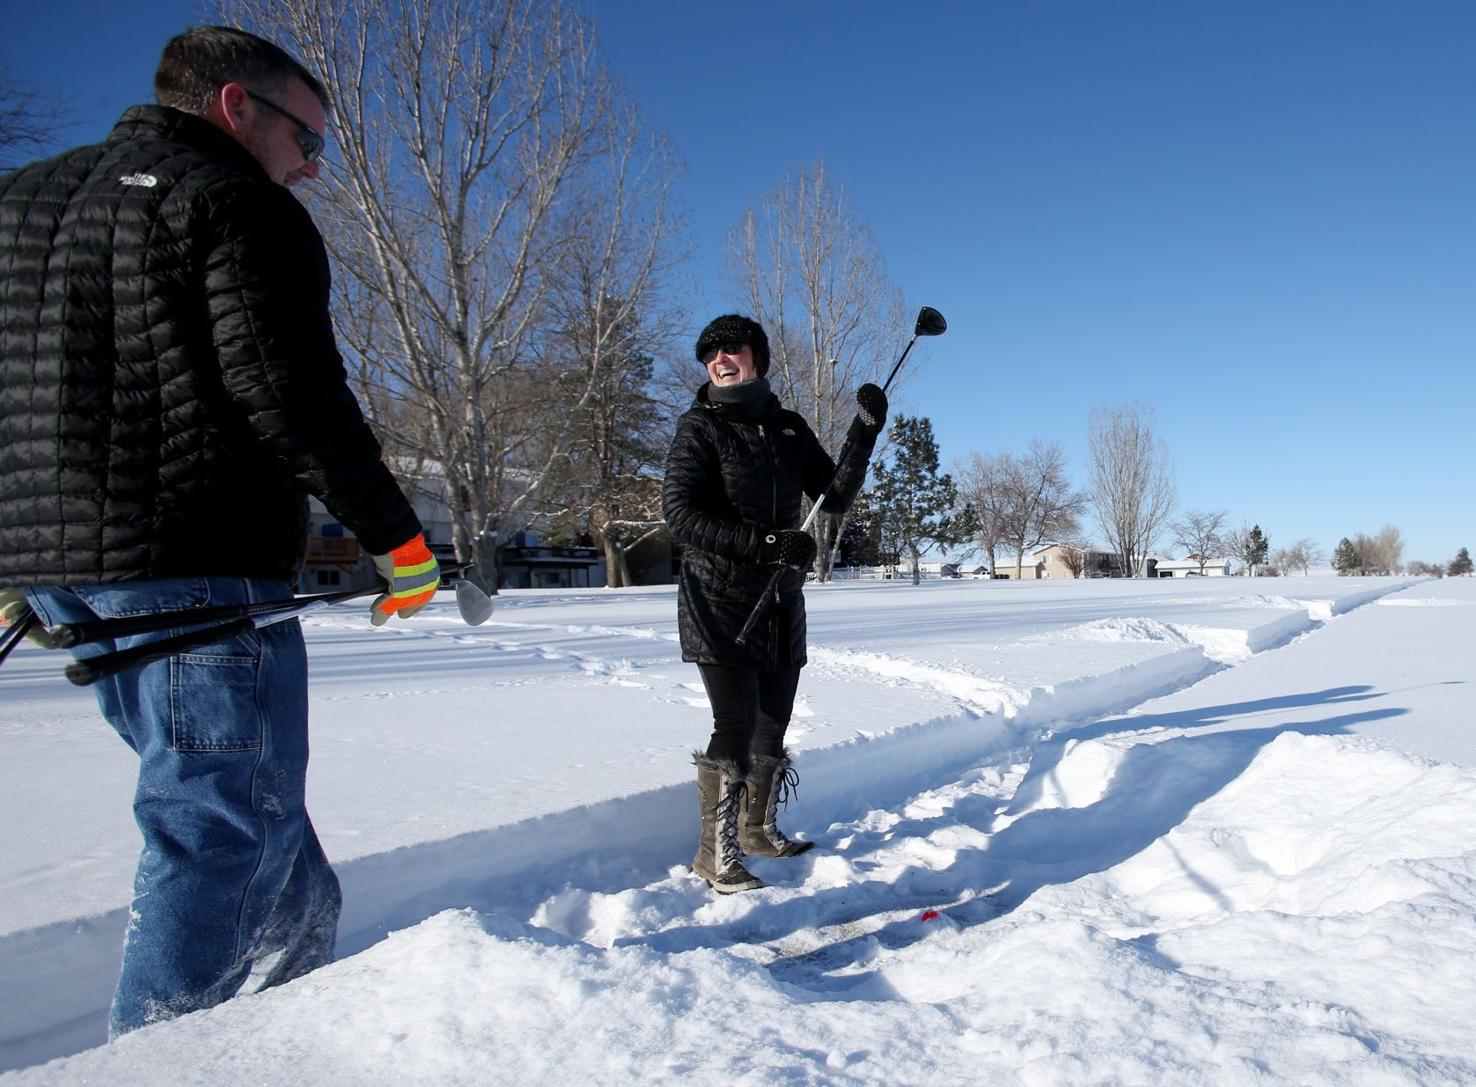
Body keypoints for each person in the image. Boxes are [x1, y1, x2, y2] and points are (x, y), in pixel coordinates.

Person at [0, 26, 440, 1036]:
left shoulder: (20, 200)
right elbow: (284, 389)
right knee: (219, 829)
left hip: (67, 573)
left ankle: (287, 1031)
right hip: (192, 568)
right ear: (236, 106)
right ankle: (160, 1056)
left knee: (260, 828)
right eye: (306, 136)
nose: (312, 165)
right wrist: (397, 539)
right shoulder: (237, 203)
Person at [662, 315, 887, 893]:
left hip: (783, 598)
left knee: (774, 720)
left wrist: (863, 434)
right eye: (709, 354)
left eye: (730, 350)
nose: (719, 360)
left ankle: (757, 829)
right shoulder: (700, 429)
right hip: (718, 597)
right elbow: (682, 517)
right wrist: (765, 542)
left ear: (757, 357)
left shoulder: (786, 427)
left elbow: (832, 497)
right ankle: (714, 855)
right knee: (732, 722)